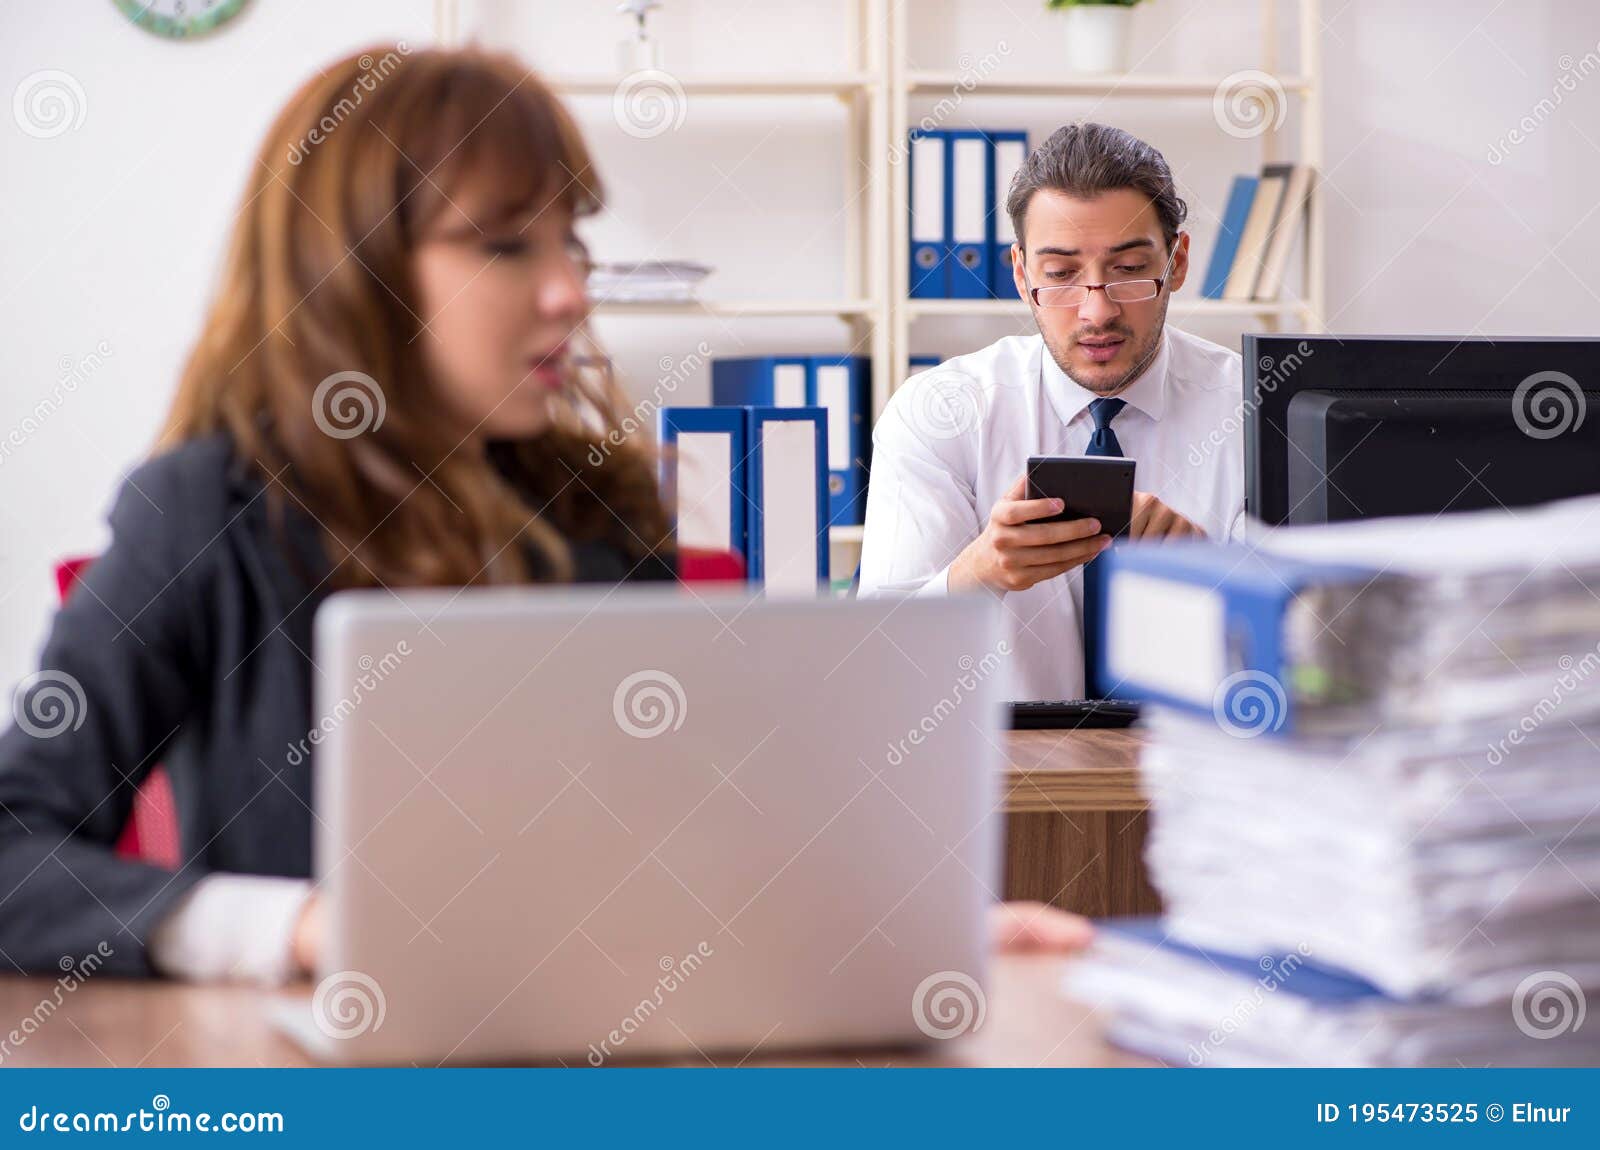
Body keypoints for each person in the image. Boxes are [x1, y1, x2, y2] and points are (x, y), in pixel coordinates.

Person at [0, 45, 1087, 988]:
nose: (569, 289)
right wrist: (290, 928)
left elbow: (698, 850)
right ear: (360, 275)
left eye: (570, 242)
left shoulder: (599, 514)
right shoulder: (214, 509)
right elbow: (15, 849)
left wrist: (896, 938)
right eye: (506, 246)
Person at [858, 122, 1245, 702]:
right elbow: (876, 662)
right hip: (1007, 777)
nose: (1096, 311)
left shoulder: (1256, 409)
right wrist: (979, 573)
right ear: (1021, 273)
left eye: (1129, 270)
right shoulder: (940, 411)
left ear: (1178, 261)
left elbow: (1335, 649)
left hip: (1203, 764)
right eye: (1061, 275)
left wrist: (1219, 578)